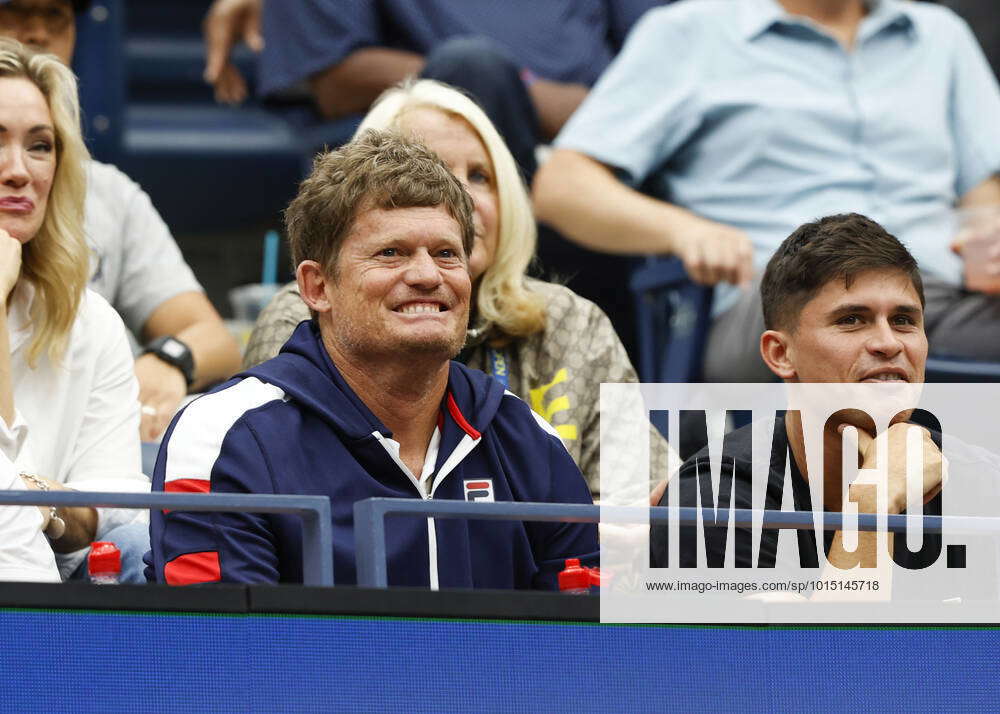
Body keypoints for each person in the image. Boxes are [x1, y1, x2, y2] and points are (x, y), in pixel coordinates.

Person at [148, 130, 598, 587]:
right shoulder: (225, 437)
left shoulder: (528, 439)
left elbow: (594, 640)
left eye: (446, 254)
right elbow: (225, 646)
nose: (426, 275)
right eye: (391, 253)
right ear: (317, 287)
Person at [244, 79, 670, 497]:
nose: (464, 197)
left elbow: (648, 499)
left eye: (481, 176)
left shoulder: (570, 322)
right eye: (432, 172)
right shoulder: (303, 320)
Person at [534, 0, 1000, 381]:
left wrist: (987, 238)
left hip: (936, 296)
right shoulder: (691, 33)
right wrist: (685, 231)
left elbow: (983, 198)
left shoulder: (941, 36)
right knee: (836, 308)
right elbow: (563, 184)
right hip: (777, 294)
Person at [650, 214, 948, 597]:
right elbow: (820, 657)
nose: (889, 343)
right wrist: (873, 501)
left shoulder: (982, 485)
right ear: (781, 354)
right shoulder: (714, 503)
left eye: (904, 320)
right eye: (852, 319)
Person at [0, 0, 242, 441]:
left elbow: (214, 339)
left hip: (79, 449)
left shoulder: (107, 195)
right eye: (14, 12)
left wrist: (169, 359)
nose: (37, 33)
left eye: (55, 17)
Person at [202, 0, 665, 179]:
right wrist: (517, 88)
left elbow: (671, 45)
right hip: (440, 152)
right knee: (470, 68)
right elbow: (335, 77)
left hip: (617, 153)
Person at [0, 38, 148, 582]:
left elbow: (119, 510)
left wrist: (37, 501)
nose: (19, 171)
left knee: (139, 547)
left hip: (49, 584)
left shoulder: (91, 321)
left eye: (40, 146)